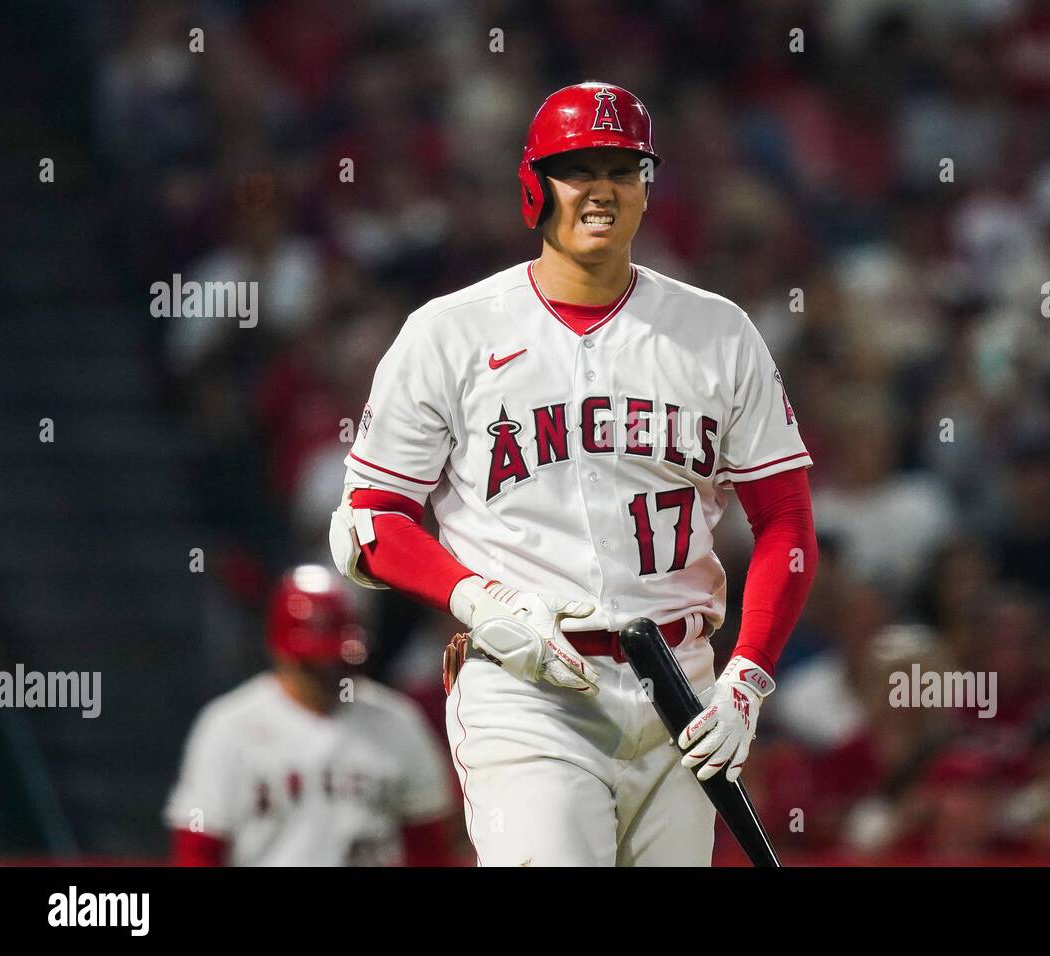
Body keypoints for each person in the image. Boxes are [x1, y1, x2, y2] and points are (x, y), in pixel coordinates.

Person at [329, 81, 817, 866]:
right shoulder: (450, 333)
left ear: (648, 187)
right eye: (577, 168)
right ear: (535, 185)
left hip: (684, 691)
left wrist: (748, 678)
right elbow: (368, 520)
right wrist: (473, 601)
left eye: (622, 170)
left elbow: (787, 524)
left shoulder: (717, 331)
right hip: (528, 684)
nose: (601, 190)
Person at [165, 565, 455, 866]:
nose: (326, 669)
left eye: (334, 657)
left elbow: (428, 847)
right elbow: (197, 850)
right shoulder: (228, 726)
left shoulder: (398, 721)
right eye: (311, 661)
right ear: (277, 650)